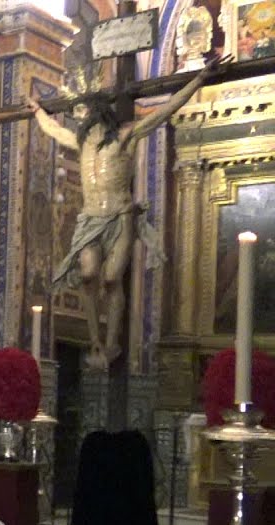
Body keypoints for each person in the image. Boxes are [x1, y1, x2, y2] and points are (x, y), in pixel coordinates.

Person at [25, 55, 226, 369]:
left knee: (110, 278)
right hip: (90, 219)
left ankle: (113, 341)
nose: (80, 116)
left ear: (99, 113)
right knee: (89, 275)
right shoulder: (82, 143)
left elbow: (164, 112)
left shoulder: (126, 135)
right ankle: (95, 340)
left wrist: (199, 79)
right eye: (79, 112)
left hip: (120, 216)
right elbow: (52, 129)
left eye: (85, 111)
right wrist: (37, 111)